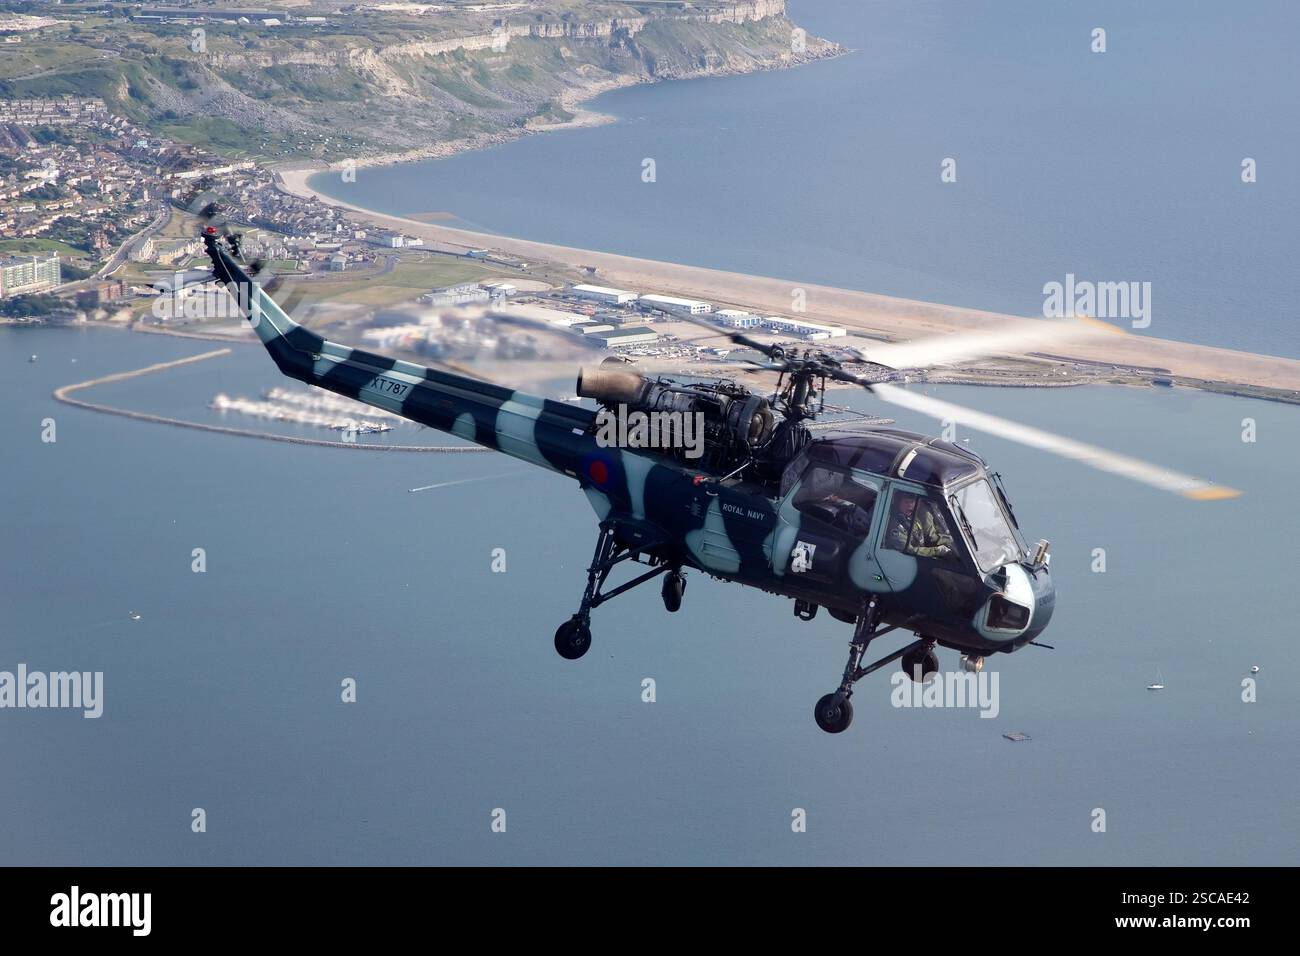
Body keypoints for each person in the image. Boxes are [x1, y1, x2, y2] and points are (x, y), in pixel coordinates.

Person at [886, 493, 954, 559]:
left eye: (912, 502)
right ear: (898, 502)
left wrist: (950, 541)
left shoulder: (912, 519)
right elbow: (909, 551)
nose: (910, 505)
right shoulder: (895, 526)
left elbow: (929, 538)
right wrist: (937, 551)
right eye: (907, 502)